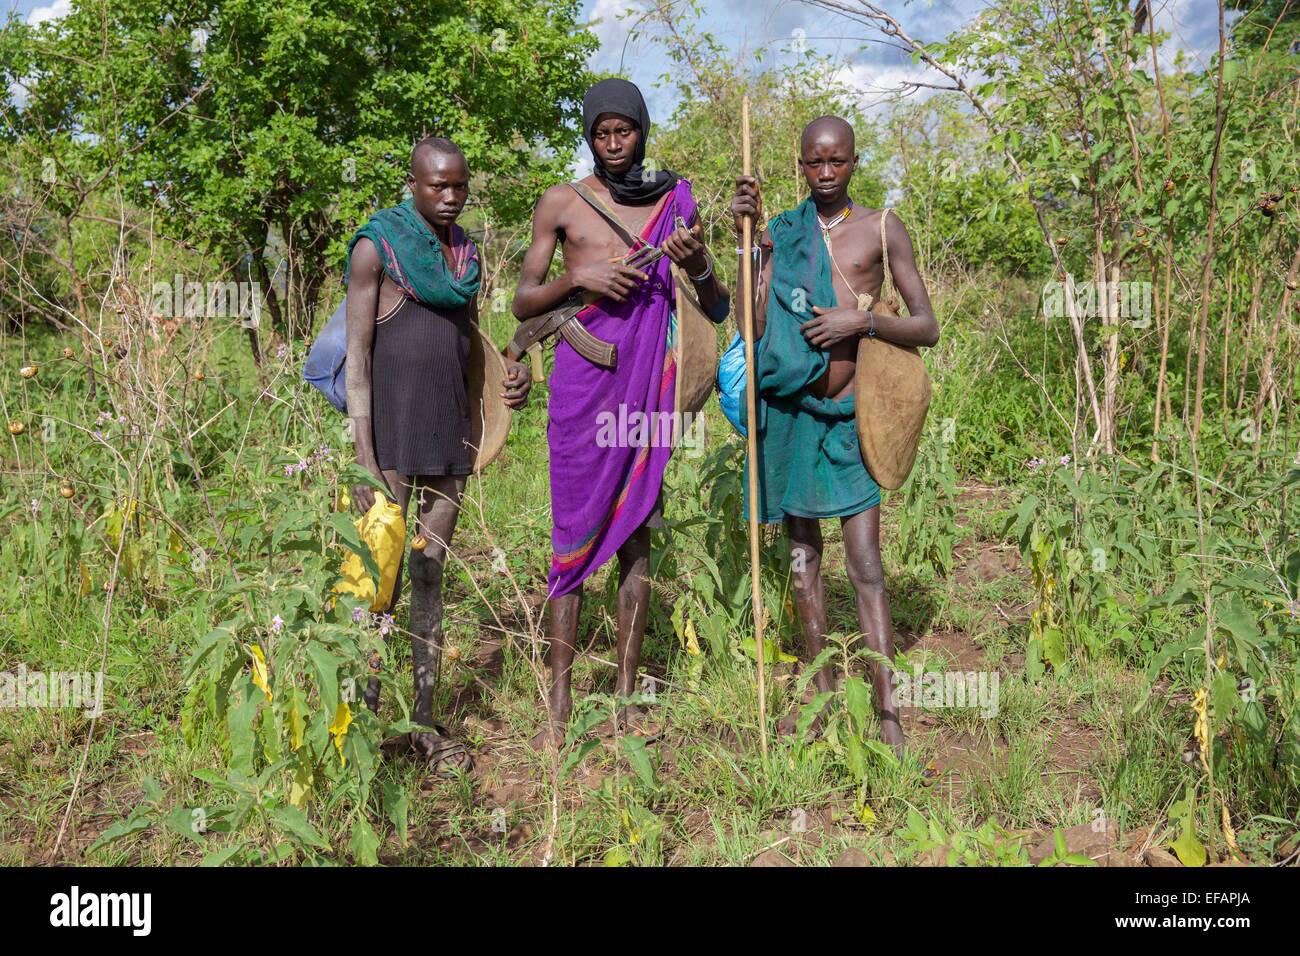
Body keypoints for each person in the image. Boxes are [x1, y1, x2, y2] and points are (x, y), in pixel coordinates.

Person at [512, 78, 729, 744]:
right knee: (571, 537)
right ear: (589, 135)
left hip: (649, 390)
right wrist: (580, 279)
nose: (613, 143)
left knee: (639, 529)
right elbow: (523, 301)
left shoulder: (676, 201)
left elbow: (716, 306)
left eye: (624, 131)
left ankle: (629, 696)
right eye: (602, 132)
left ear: (642, 130)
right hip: (583, 388)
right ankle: (560, 705)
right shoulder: (562, 203)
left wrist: (695, 268)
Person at [729, 116, 939, 754]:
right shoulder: (780, 233)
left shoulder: (881, 228)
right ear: (801, 166)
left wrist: (864, 321)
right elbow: (751, 319)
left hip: (852, 422)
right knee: (802, 565)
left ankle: (889, 715)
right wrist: (748, 248)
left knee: (867, 566)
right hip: (791, 416)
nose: (825, 174)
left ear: (853, 162)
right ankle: (819, 700)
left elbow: (927, 327)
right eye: (814, 164)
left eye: (836, 162)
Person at [345, 136, 532, 775]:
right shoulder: (377, 248)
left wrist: (511, 381)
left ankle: (422, 721)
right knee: (378, 583)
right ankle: (364, 724)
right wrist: (363, 457)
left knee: (430, 575)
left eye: (459, 185)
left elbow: (473, 348)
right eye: (437, 186)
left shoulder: (466, 256)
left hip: (450, 437)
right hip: (389, 443)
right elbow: (359, 359)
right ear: (412, 182)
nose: (451, 197)